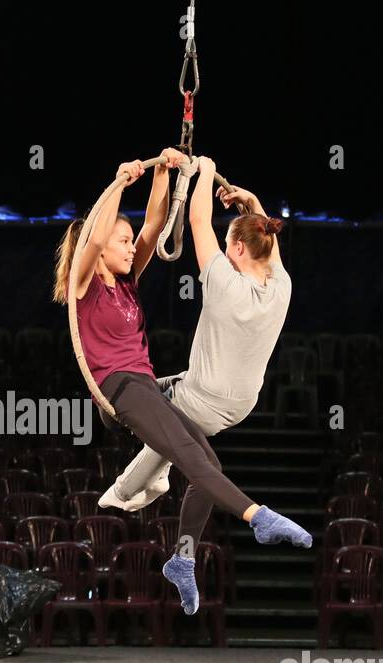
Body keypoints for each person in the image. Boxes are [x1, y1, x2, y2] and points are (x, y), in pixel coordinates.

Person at [53, 151, 311, 616]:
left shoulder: (127, 283)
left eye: (130, 241)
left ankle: (182, 558)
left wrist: (161, 172)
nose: (132, 246)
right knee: (191, 457)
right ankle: (258, 516)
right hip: (119, 391)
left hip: (148, 387)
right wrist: (119, 182)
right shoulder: (84, 281)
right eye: (123, 241)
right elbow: (94, 238)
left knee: (204, 460)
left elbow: (155, 224)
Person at [100, 157, 293, 522]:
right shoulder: (282, 286)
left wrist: (204, 169)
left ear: (236, 249)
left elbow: (197, 220)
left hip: (202, 398)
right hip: (240, 403)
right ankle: (150, 479)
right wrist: (250, 203)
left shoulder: (225, 285)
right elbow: (268, 243)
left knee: (157, 415)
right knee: (154, 393)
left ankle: (126, 489)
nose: (222, 249)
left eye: (226, 243)